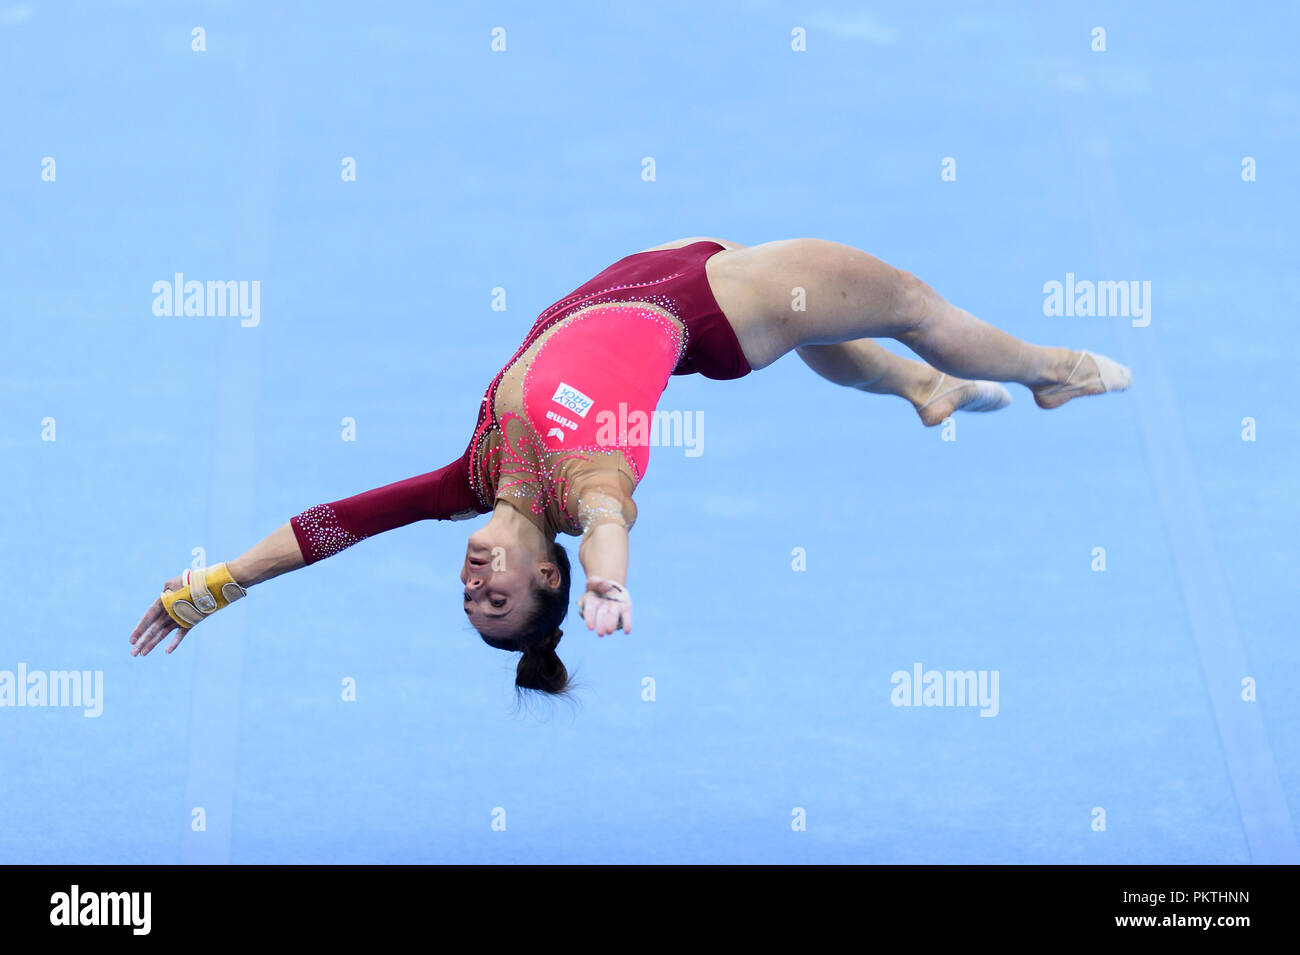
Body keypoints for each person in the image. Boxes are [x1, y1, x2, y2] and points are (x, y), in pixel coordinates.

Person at [129, 237, 1130, 695]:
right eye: (500, 600)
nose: (474, 581)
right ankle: (1053, 371)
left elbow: (329, 527)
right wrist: (611, 579)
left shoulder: (470, 483)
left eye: (468, 595)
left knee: (818, 327)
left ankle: (921, 392)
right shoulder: (589, 475)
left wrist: (213, 587)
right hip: (693, 304)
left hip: (623, 293)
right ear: (548, 573)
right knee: (905, 300)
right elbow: (610, 507)